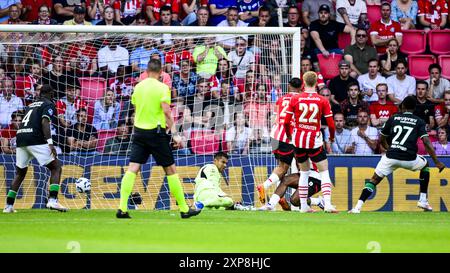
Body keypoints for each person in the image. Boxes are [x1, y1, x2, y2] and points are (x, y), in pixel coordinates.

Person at [116, 59, 200, 219]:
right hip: (156, 132)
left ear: (147, 71)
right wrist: (175, 133)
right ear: (161, 72)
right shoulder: (162, 88)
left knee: (133, 168)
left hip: (139, 132)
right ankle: (183, 209)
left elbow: (135, 107)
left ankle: (122, 208)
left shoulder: (138, 87)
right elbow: (167, 112)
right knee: (170, 170)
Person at [349, 96, 446, 213]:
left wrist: (388, 148)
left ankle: (357, 208)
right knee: (425, 165)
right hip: (409, 158)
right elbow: (426, 142)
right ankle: (423, 200)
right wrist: (437, 162)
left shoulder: (394, 118)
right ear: (414, 108)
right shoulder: (419, 121)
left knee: (374, 180)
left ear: (403, 107)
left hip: (391, 156)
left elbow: (383, 137)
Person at [3, 84, 67, 213]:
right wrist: (50, 143)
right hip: (35, 138)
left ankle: (8, 206)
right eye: (52, 94)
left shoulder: (31, 105)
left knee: (20, 173)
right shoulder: (48, 104)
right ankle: (53, 200)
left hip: (21, 138)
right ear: (50, 93)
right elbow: (44, 122)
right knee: (56, 167)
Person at [284, 71, 337, 213]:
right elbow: (331, 124)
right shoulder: (322, 100)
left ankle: (304, 206)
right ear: (316, 83)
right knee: (324, 172)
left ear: (303, 82)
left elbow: (286, 121)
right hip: (314, 142)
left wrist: (289, 136)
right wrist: (331, 137)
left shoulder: (295, 99)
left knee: (304, 173)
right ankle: (327, 205)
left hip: (299, 141)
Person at [256, 78, 301, 204]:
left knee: (281, 166)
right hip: (288, 137)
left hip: (274, 135)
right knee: (289, 168)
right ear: (301, 87)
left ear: (288, 86)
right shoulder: (300, 99)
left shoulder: (281, 99)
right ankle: (265, 186)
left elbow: (275, 118)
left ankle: (278, 197)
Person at [259, 165, 325, 211]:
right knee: (285, 180)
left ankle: (318, 201)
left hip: (315, 178)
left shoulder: (307, 148)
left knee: (294, 201)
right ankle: (271, 205)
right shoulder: (295, 148)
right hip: (303, 175)